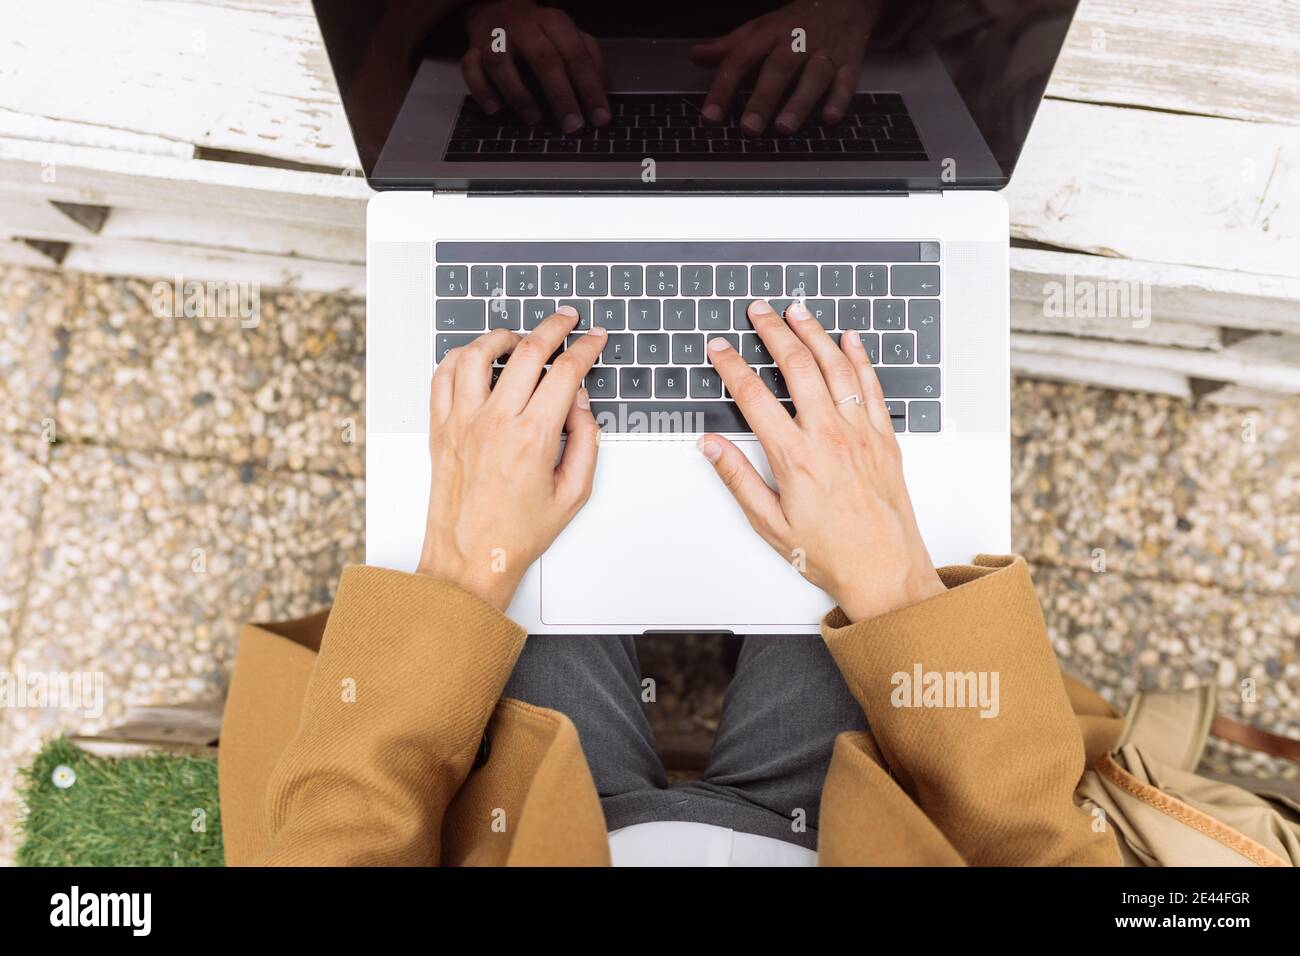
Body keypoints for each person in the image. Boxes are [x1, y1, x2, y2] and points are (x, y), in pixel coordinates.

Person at [218, 300, 1121, 866]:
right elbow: (1034, 847)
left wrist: (462, 570)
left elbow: (347, 835)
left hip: (532, 825)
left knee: (522, 570)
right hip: (853, 825)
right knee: (876, 559)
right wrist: (892, 587)